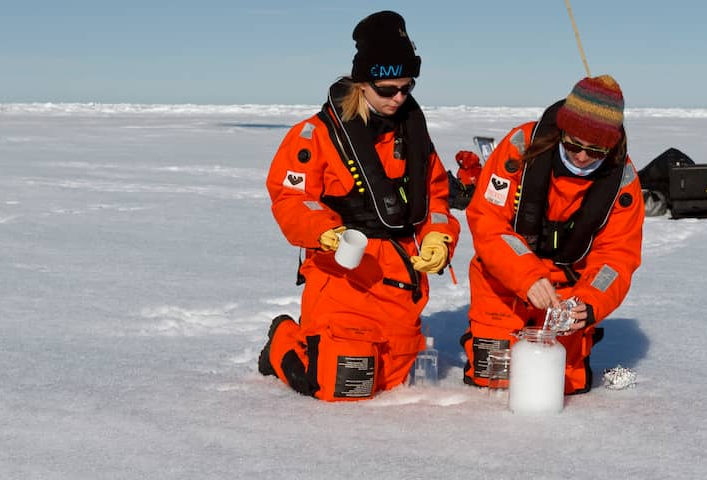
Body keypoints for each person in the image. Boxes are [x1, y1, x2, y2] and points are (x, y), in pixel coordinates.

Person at [258, 11, 460, 401]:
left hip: (400, 278)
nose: (399, 98)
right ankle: (282, 341)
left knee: (393, 383)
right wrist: (324, 232)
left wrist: (438, 237)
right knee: (344, 385)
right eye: (387, 89)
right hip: (343, 275)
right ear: (362, 84)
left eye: (407, 87)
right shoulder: (313, 136)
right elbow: (290, 197)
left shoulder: (414, 136)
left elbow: (436, 196)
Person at [461, 75, 644, 394]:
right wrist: (527, 276)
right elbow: (488, 221)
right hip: (505, 279)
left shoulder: (622, 184)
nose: (582, 156)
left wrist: (588, 305)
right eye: (573, 144)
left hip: (568, 294)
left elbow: (617, 258)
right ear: (561, 129)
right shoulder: (519, 148)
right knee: (497, 382)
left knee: (558, 384)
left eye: (595, 150)